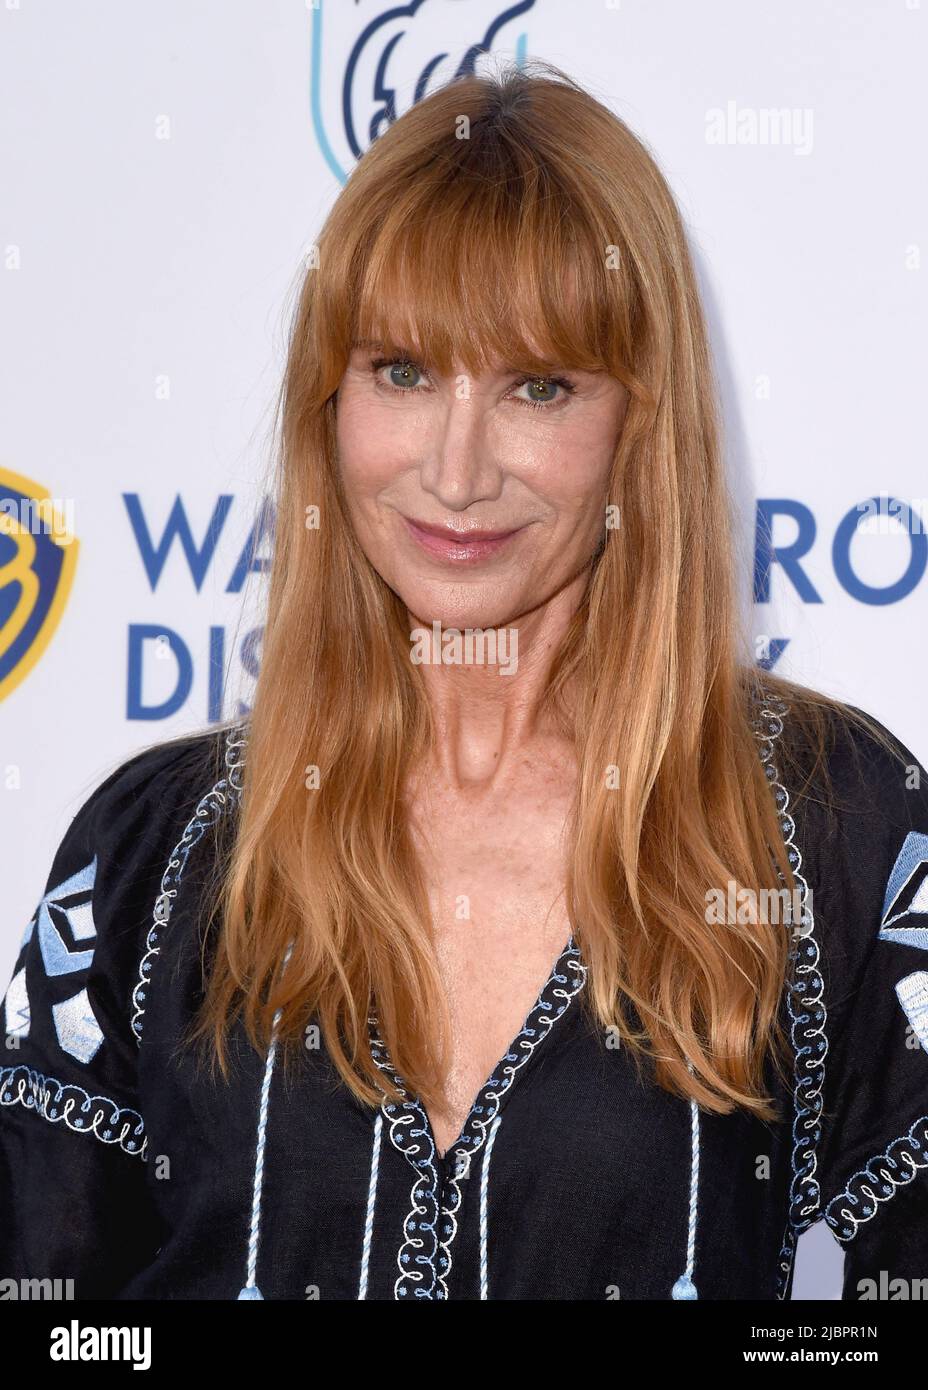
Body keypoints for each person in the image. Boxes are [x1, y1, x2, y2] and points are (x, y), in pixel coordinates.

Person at [2, 63, 927, 1302]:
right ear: (327, 403)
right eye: (401, 370)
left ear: (636, 429)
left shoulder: (834, 823)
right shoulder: (149, 854)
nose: (455, 469)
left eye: (537, 387)